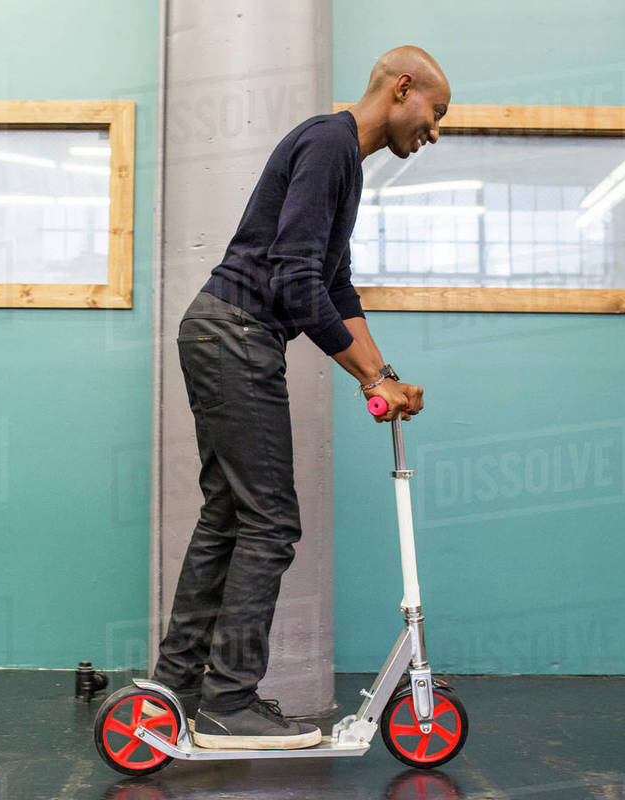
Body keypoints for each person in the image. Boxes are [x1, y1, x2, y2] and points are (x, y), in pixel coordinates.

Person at [151, 45, 451, 750]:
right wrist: (369, 380)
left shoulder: (343, 161)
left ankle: (177, 687)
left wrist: (384, 374)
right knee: (271, 523)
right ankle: (227, 702)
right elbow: (293, 280)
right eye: (435, 114)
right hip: (237, 334)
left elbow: (334, 286)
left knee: (231, 514)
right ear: (403, 89)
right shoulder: (329, 144)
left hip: (227, 332)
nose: (434, 131)